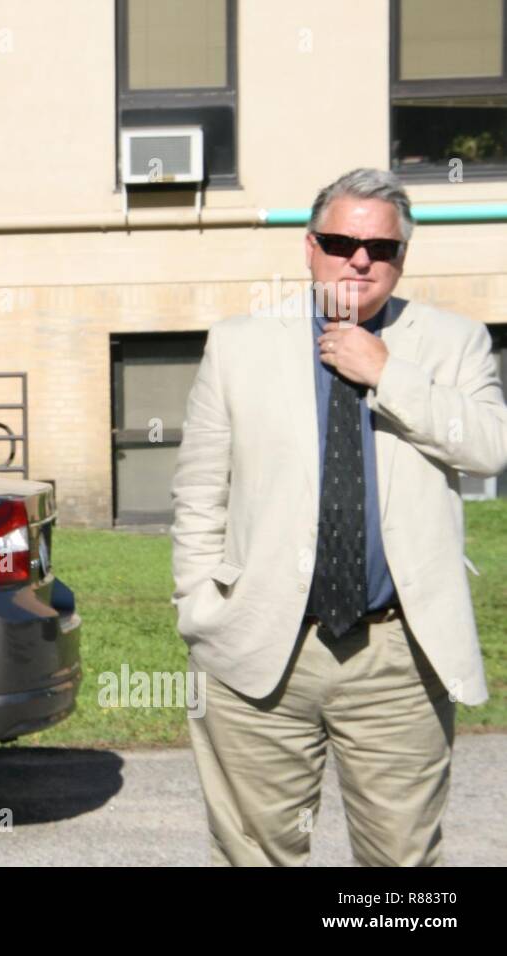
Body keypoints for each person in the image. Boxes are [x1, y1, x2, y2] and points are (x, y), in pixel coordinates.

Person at [171, 167, 507, 866]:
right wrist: (200, 606)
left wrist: (388, 373)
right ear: (309, 247)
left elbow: (489, 448)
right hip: (258, 641)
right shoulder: (239, 344)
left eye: (381, 248)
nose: (360, 259)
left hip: (397, 658)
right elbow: (201, 491)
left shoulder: (454, 341)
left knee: (402, 869)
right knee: (253, 855)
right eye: (341, 242)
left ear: (401, 259)